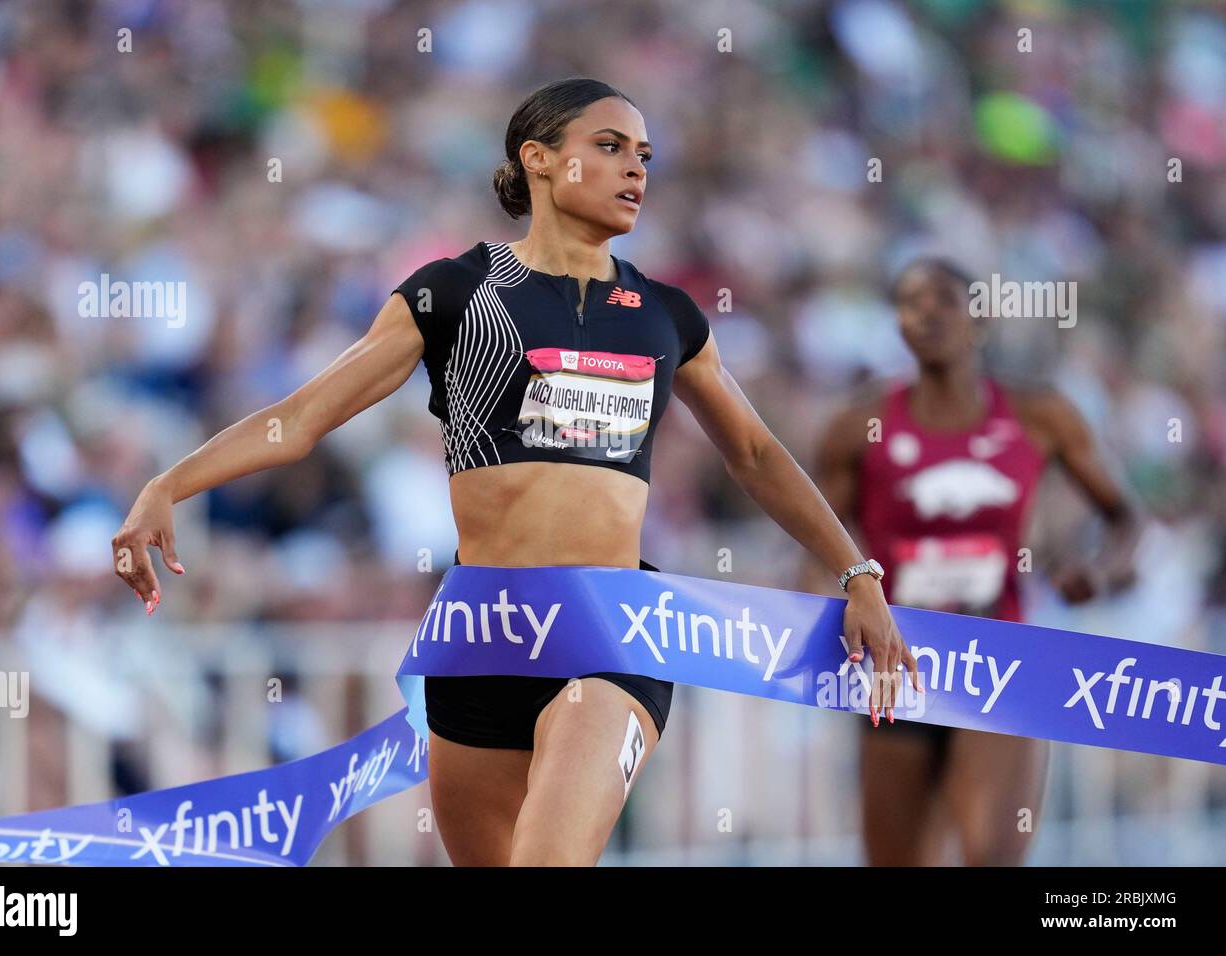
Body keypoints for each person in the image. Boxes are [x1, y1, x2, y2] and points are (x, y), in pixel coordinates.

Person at [112, 77, 916, 866]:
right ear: (538, 159)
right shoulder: (456, 293)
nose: (636, 169)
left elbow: (756, 453)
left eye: (643, 154)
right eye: (608, 148)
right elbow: (301, 418)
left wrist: (857, 571)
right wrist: (167, 484)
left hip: (611, 632)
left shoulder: (668, 316)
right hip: (481, 638)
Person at [809, 258, 1141, 866]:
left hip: (1001, 662)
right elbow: (813, 537)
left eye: (944, 301)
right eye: (911, 303)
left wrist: (1099, 570)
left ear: (979, 319)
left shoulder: (1041, 415)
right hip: (896, 668)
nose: (928, 314)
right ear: (898, 326)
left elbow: (1125, 517)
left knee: (991, 854)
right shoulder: (859, 427)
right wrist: (831, 608)